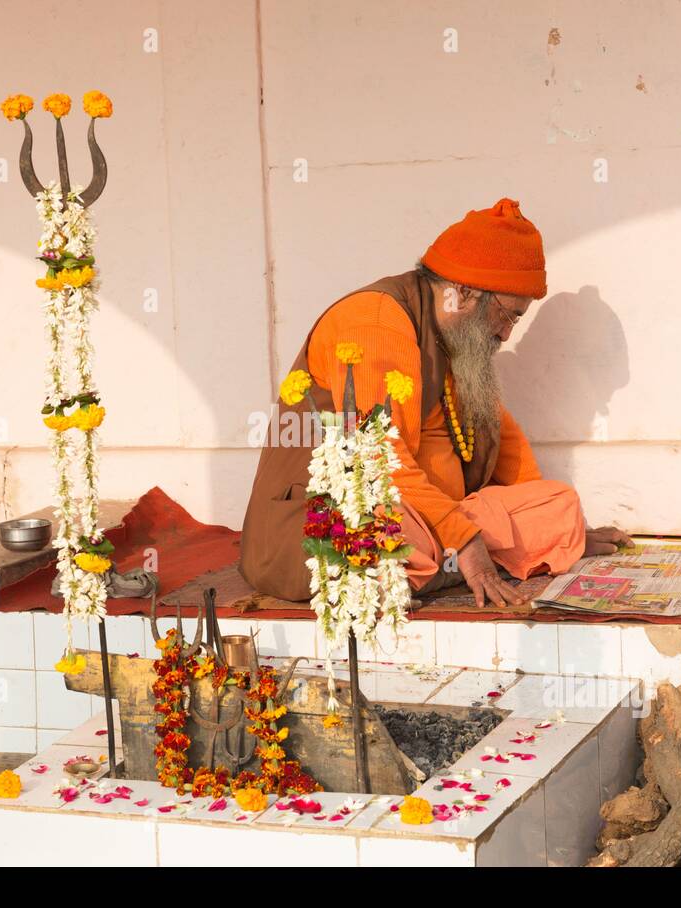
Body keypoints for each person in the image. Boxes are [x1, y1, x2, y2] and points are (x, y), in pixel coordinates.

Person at [240, 198, 630, 608]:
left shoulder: (457, 336)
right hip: (332, 517)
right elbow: (378, 463)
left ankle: (445, 560)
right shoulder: (375, 324)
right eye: (508, 316)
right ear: (464, 293)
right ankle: (451, 558)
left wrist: (559, 532)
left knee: (559, 504)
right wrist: (465, 540)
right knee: (383, 534)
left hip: (434, 518)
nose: (507, 334)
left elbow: (503, 434)